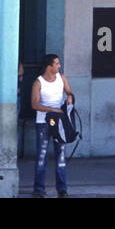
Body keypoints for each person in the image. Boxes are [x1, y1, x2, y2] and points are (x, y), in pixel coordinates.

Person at [30, 53, 76, 198]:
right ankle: (38, 189)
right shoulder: (38, 82)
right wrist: (53, 109)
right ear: (49, 66)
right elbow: (34, 104)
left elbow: (69, 92)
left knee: (61, 156)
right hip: (44, 122)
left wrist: (69, 97)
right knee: (41, 156)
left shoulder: (62, 78)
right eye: (56, 63)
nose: (59, 66)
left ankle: (62, 189)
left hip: (60, 122)